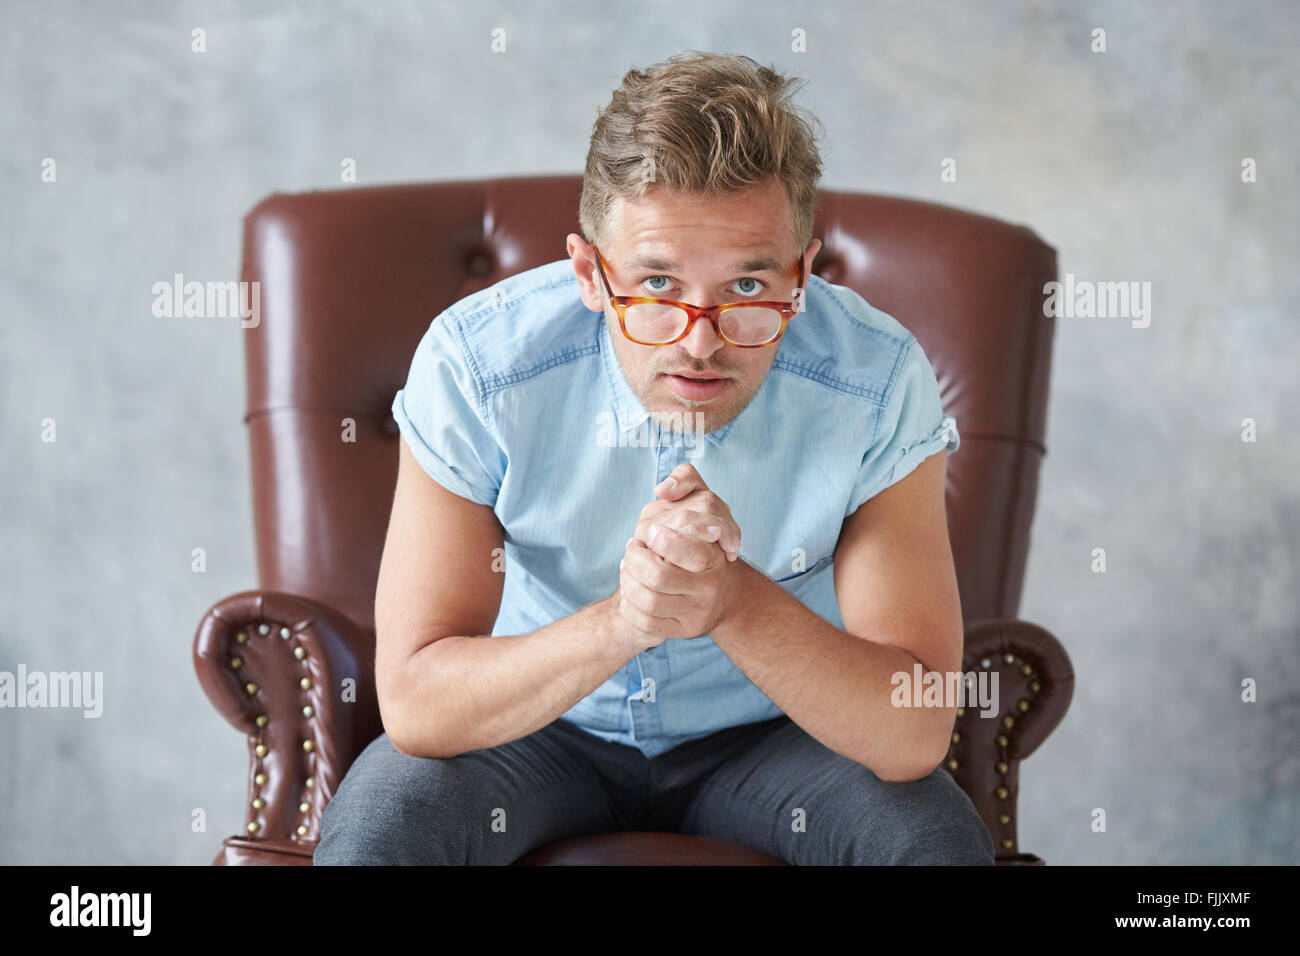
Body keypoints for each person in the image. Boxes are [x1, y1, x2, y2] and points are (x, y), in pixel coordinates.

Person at [315, 50, 993, 866]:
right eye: (659, 285)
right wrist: (626, 621)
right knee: (380, 827)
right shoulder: (479, 367)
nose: (700, 343)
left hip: (776, 737)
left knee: (931, 842)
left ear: (804, 274)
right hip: (537, 729)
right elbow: (419, 703)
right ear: (590, 274)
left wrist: (731, 602)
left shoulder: (877, 380)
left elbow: (913, 728)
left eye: (748, 289)